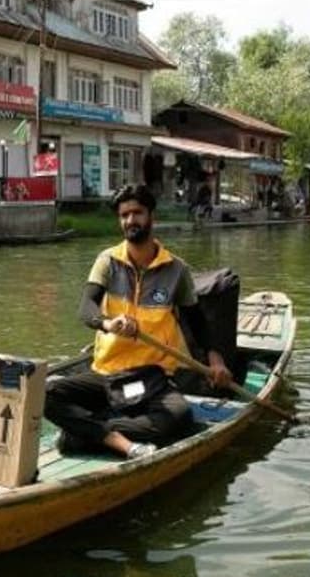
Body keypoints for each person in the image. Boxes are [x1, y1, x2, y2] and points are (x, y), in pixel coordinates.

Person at [44, 184, 234, 459]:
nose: (130, 220)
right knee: (46, 393)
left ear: (151, 216)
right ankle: (111, 437)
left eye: (137, 213)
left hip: (150, 380)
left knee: (179, 417)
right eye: (124, 215)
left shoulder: (176, 270)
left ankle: (83, 432)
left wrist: (215, 361)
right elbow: (86, 308)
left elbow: (197, 322)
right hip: (107, 375)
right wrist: (108, 324)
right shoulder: (107, 261)